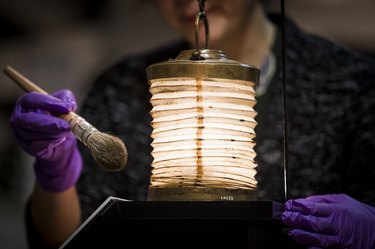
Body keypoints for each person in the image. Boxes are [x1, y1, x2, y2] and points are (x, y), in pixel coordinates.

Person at [8, 0, 375, 248]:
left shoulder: (348, 81)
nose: (188, 1)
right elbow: (68, 239)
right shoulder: (119, 88)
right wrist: (54, 174)